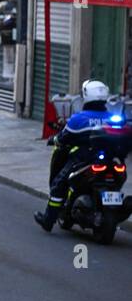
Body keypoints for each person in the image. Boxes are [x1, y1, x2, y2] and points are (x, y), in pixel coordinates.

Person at [35, 80, 120, 231]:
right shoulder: (113, 118)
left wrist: (53, 139)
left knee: (59, 184)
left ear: (86, 96)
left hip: (83, 159)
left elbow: (63, 137)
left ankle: (48, 220)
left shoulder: (79, 119)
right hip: (110, 159)